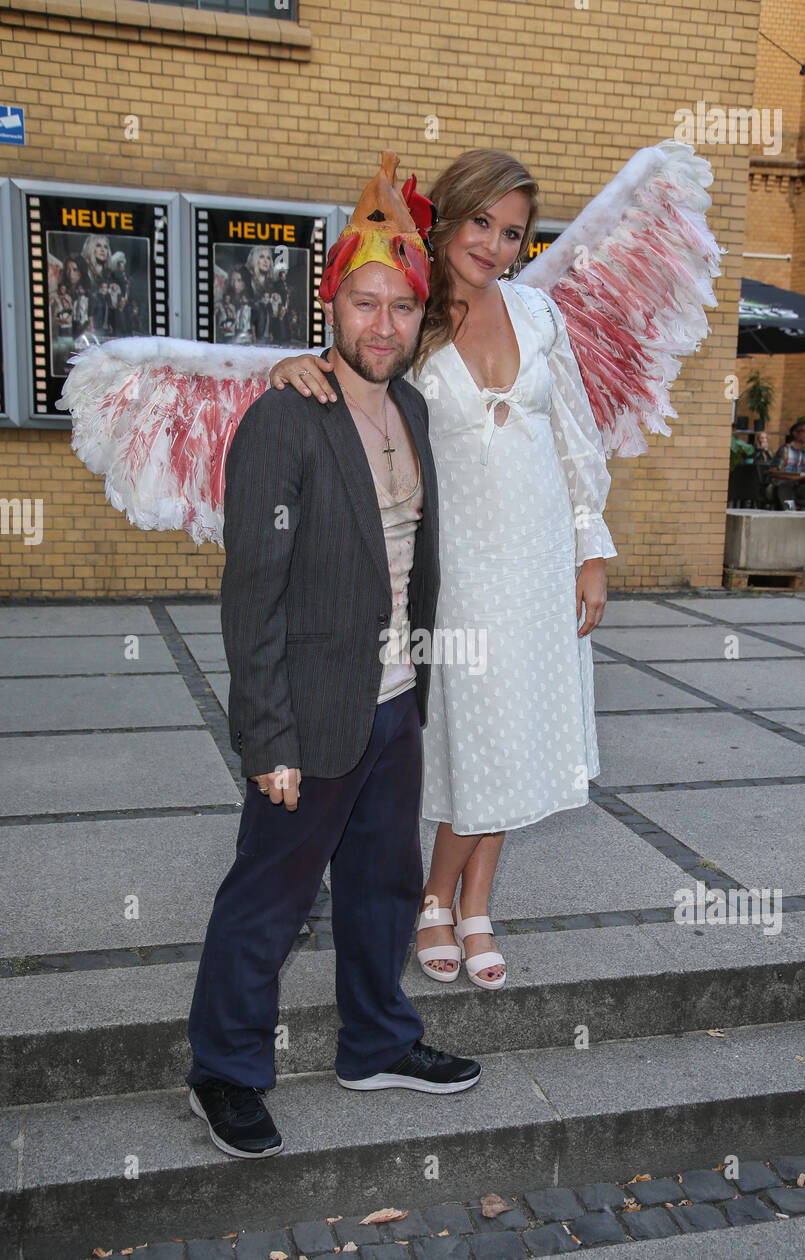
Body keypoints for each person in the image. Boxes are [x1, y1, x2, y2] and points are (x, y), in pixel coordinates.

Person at [185, 154, 481, 1162]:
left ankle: (377, 1041)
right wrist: (265, 736)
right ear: (332, 305)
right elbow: (251, 594)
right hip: (308, 713)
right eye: (365, 303)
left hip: (393, 702)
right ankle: (223, 1070)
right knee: (266, 900)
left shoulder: (412, 410)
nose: (384, 325)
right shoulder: (284, 418)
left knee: (380, 889)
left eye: (401, 307)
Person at [270, 149, 615, 992]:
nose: (495, 247)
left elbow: (572, 438)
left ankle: (476, 903)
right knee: (476, 739)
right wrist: (291, 367)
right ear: (450, 218)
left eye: (513, 233)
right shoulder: (412, 319)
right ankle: (433, 895)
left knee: (524, 731)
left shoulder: (539, 315)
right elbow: (346, 368)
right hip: (459, 572)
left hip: (542, 561)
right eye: (482, 224)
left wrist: (592, 551)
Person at [766, 421, 805, 509]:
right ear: (795, 433)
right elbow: (772, 472)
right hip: (781, 485)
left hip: (798, 486)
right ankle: (789, 513)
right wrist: (792, 478)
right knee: (785, 488)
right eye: (804, 431)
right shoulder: (785, 450)